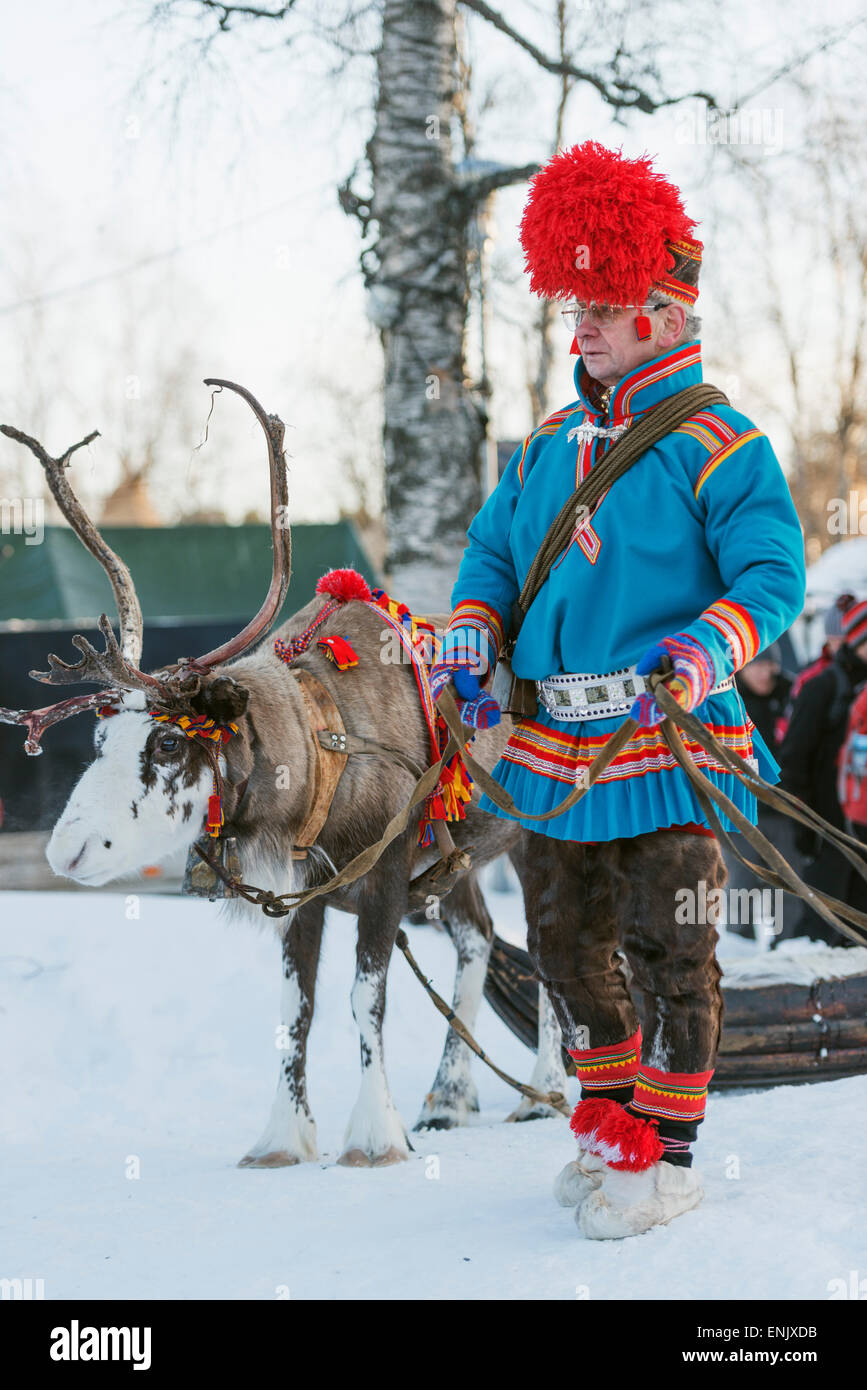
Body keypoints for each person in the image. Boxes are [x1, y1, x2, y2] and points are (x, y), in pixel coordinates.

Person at [429, 141, 806, 1239]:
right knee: (561, 945)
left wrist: (701, 649)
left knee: (670, 945)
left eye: (600, 304)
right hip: (555, 749)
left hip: (672, 742)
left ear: (665, 310)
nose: (579, 325)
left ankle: (670, 1156)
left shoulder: (722, 443)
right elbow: (493, 560)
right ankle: (607, 1127)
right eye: (573, 305)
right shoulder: (546, 446)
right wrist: (468, 632)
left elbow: (774, 573)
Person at [778, 599, 867, 944]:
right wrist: (804, 822)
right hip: (828, 829)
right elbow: (794, 757)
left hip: (862, 827)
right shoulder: (823, 686)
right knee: (821, 925)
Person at [723, 645, 796, 940]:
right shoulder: (728, 698)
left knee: (788, 884)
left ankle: (789, 943)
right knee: (741, 883)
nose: (765, 673)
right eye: (757, 666)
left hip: (784, 809)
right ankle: (739, 943)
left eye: (770, 667)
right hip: (741, 810)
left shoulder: (791, 694)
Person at [775, 592, 856, 744]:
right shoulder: (811, 676)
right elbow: (788, 726)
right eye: (835, 640)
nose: (843, 647)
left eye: (847, 640)